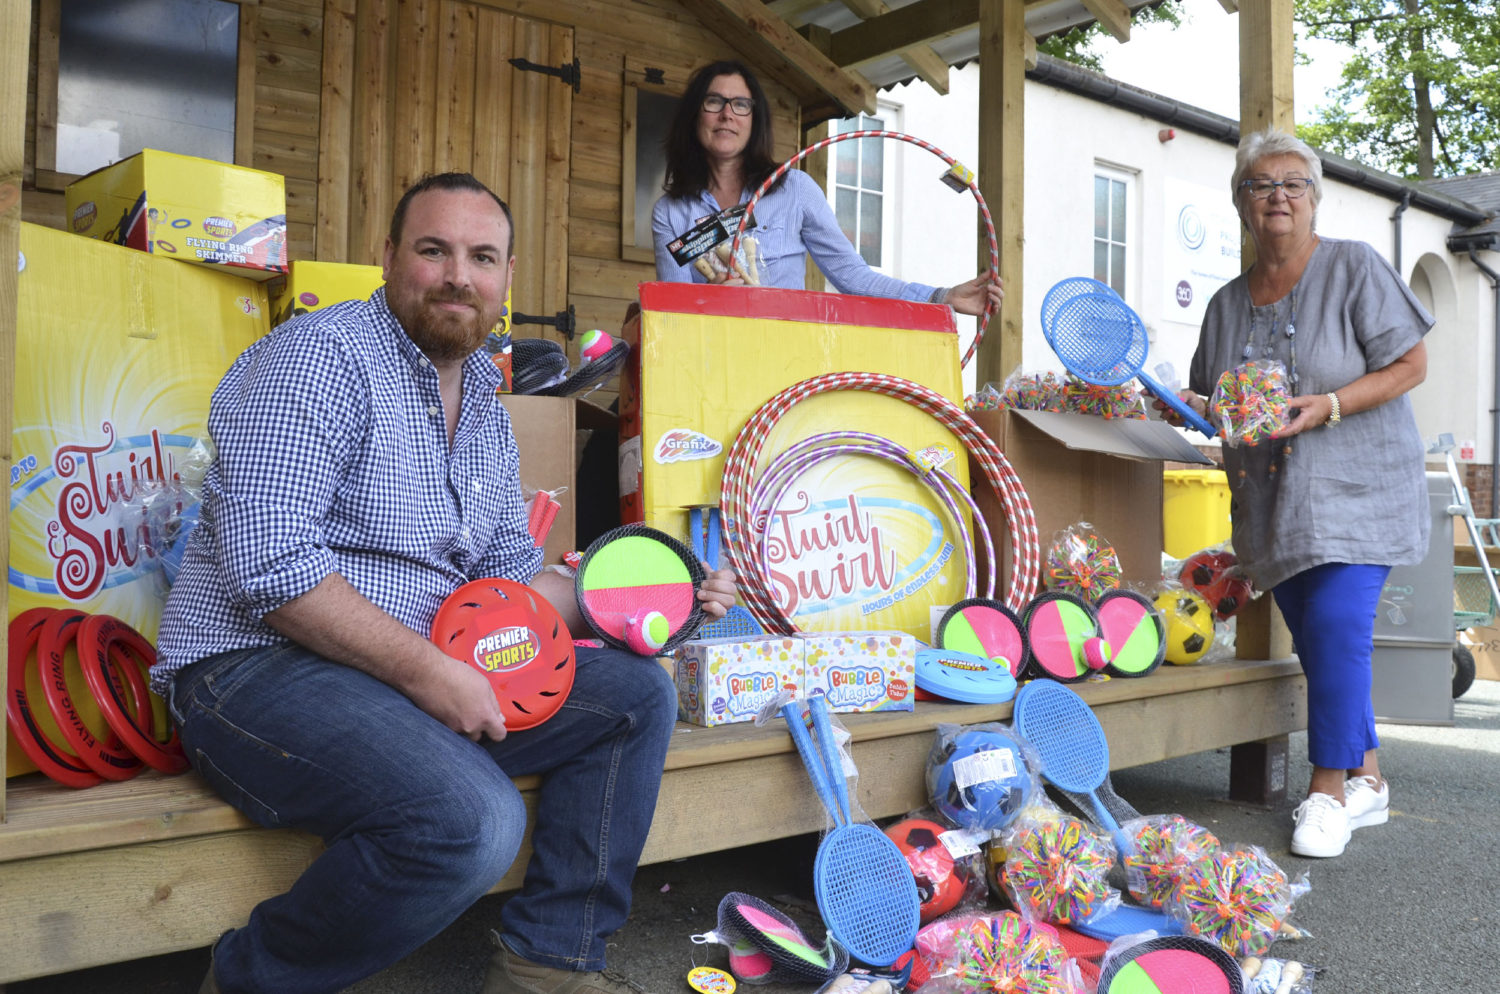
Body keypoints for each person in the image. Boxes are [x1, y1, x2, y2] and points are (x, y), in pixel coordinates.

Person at [152, 172, 738, 994]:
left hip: (412, 667)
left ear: (506, 278)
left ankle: (548, 964)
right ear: (389, 256)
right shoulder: (316, 358)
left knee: (636, 694)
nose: (459, 276)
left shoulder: (486, 410)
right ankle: (249, 979)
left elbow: (506, 585)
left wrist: (642, 597)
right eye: (435, 250)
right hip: (252, 671)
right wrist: (429, 672)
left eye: (482, 257)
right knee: (470, 821)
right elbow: (269, 567)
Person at [1162, 129, 1431, 859]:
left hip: (1360, 489)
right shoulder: (1224, 305)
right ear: (1241, 204)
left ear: (1314, 199)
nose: (1277, 195)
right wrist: (1184, 403)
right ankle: (1370, 777)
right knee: (1320, 643)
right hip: (1273, 507)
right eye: (1260, 184)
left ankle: (1327, 792)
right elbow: (1216, 403)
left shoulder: (1354, 267)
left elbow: (1411, 363)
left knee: (1338, 626)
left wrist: (1330, 404)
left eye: (1293, 183)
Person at [651, 60, 1002, 315]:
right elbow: (669, 309)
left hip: (786, 363)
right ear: (695, 115)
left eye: (740, 104)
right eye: (714, 101)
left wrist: (941, 297)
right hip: (710, 361)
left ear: (755, 121)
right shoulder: (670, 213)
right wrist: (710, 301)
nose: (727, 114)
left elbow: (853, 276)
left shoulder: (795, 190)